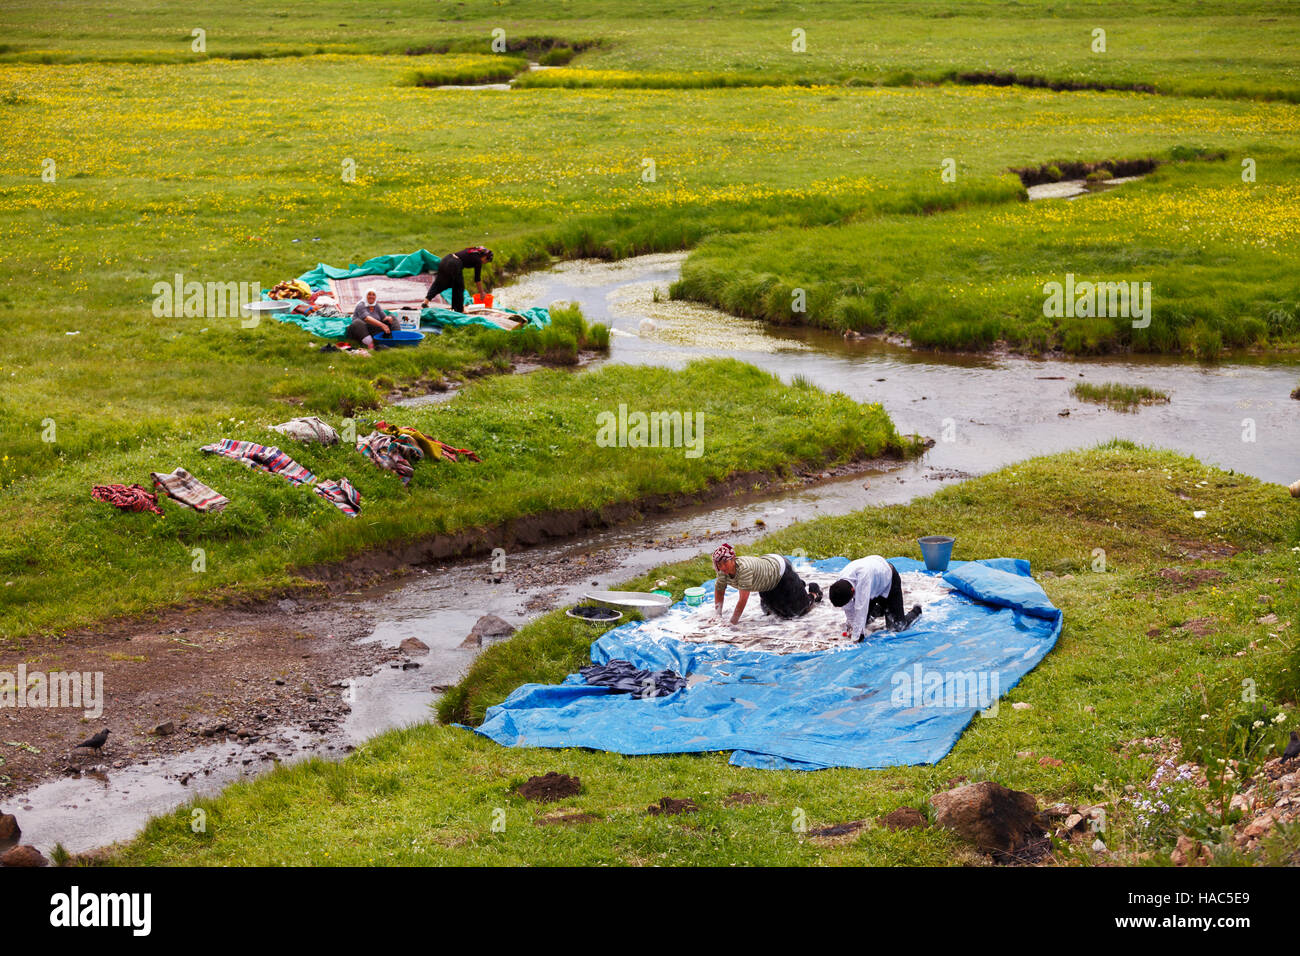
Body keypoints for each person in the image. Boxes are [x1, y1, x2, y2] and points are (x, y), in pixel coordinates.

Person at [711, 543, 822, 625]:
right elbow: (719, 591)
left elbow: (742, 599)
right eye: (719, 564)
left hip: (780, 570)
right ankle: (798, 587)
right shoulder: (722, 572)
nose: (723, 567)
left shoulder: (744, 570)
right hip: (766, 582)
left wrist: (732, 623)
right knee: (772, 613)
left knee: (797, 612)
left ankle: (813, 592)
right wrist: (717, 615)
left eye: (725, 562)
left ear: (733, 559)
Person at [828, 555, 922, 640]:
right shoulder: (840, 584)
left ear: (853, 590)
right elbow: (848, 609)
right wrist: (852, 627)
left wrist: (857, 637)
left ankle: (916, 611)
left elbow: (860, 608)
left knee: (897, 627)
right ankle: (880, 609)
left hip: (889, 582)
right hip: (873, 588)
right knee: (862, 622)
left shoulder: (863, 579)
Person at [421, 246, 493, 314]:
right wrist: (482, 292)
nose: (485, 262)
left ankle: (425, 302)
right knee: (459, 287)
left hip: (446, 259)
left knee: (439, 283)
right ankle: (459, 310)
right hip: (454, 264)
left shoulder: (473, 251)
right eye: (486, 261)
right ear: (485, 257)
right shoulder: (478, 261)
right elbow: (477, 279)